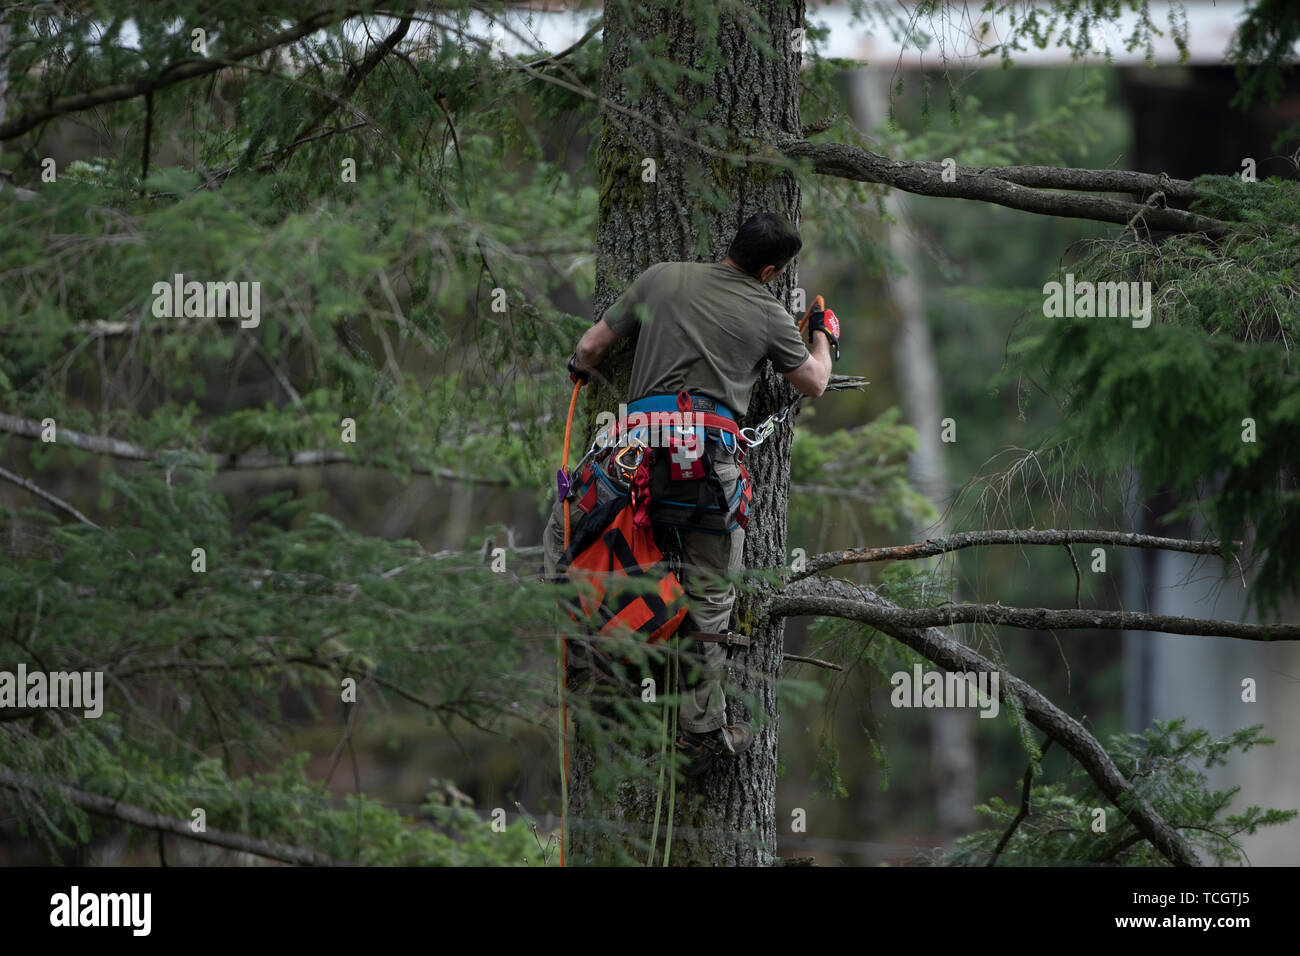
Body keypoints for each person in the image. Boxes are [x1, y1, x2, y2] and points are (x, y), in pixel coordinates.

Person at [544, 210, 838, 776]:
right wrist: (822, 332)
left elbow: (592, 346)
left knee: (571, 541)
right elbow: (816, 382)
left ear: (732, 244)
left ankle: (586, 671)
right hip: (709, 467)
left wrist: (578, 366)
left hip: (631, 461)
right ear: (771, 269)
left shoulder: (661, 277)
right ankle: (701, 732)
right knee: (710, 596)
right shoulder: (770, 312)